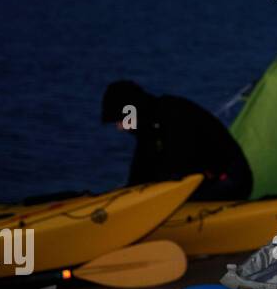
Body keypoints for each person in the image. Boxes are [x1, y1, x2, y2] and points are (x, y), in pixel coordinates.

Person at [101, 80, 254, 201]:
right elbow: (141, 173)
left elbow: (179, 166)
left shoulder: (173, 115)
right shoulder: (149, 130)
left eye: (120, 120)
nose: (120, 127)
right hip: (201, 183)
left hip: (230, 181)